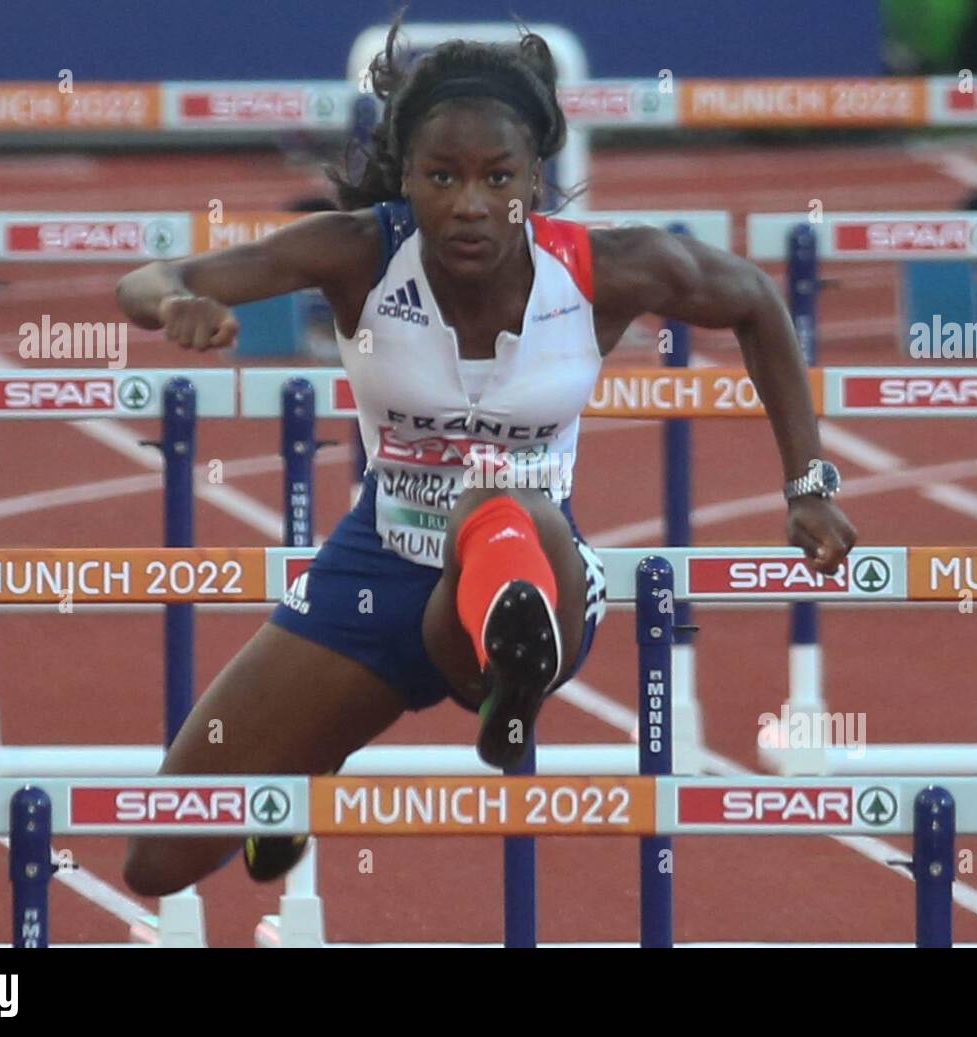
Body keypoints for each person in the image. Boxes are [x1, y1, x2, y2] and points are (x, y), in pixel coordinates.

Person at [115, 21, 856, 896]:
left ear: (534, 179)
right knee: (157, 861)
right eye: (442, 178)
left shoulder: (604, 268)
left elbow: (757, 302)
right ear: (408, 178)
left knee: (497, 507)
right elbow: (149, 278)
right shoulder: (359, 251)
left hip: (542, 570)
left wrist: (808, 484)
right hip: (380, 568)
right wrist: (177, 308)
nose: (470, 204)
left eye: (497, 179)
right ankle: (303, 783)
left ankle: (511, 675)